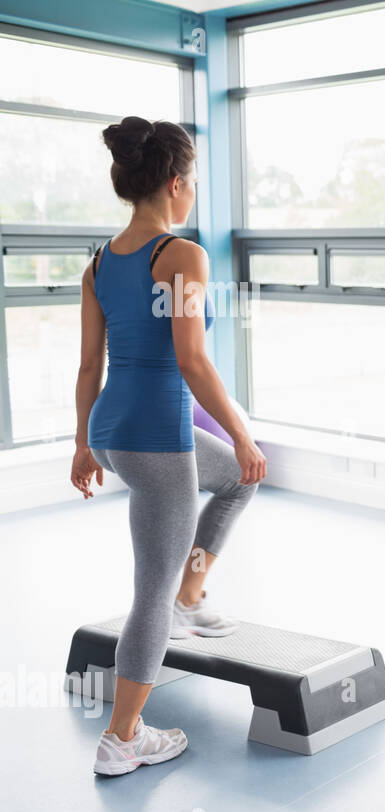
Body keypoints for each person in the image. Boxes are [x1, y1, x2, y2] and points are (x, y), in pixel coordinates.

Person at [70, 117, 266, 776]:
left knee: (237, 481)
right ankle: (123, 737)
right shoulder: (181, 255)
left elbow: (87, 367)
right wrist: (241, 432)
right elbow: (192, 359)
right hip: (157, 436)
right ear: (176, 184)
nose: (194, 195)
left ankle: (192, 597)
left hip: (113, 429)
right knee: (147, 589)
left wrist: (80, 444)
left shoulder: (99, 264)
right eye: (195, 184)